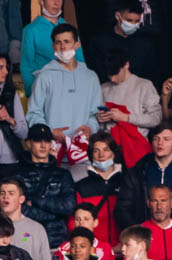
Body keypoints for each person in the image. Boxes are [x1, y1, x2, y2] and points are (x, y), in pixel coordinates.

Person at [25, 24, 104, 168]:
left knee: (82, 189)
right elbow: (33, 113)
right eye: (58, 42)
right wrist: (49, 132)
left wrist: (90, 128)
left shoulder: (91, 77)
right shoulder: (44, 76)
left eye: (67, 42)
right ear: (53, 46)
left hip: (82, 153)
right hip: (52, 151)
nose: (62, 47)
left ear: (77, 45)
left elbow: (95, 113)